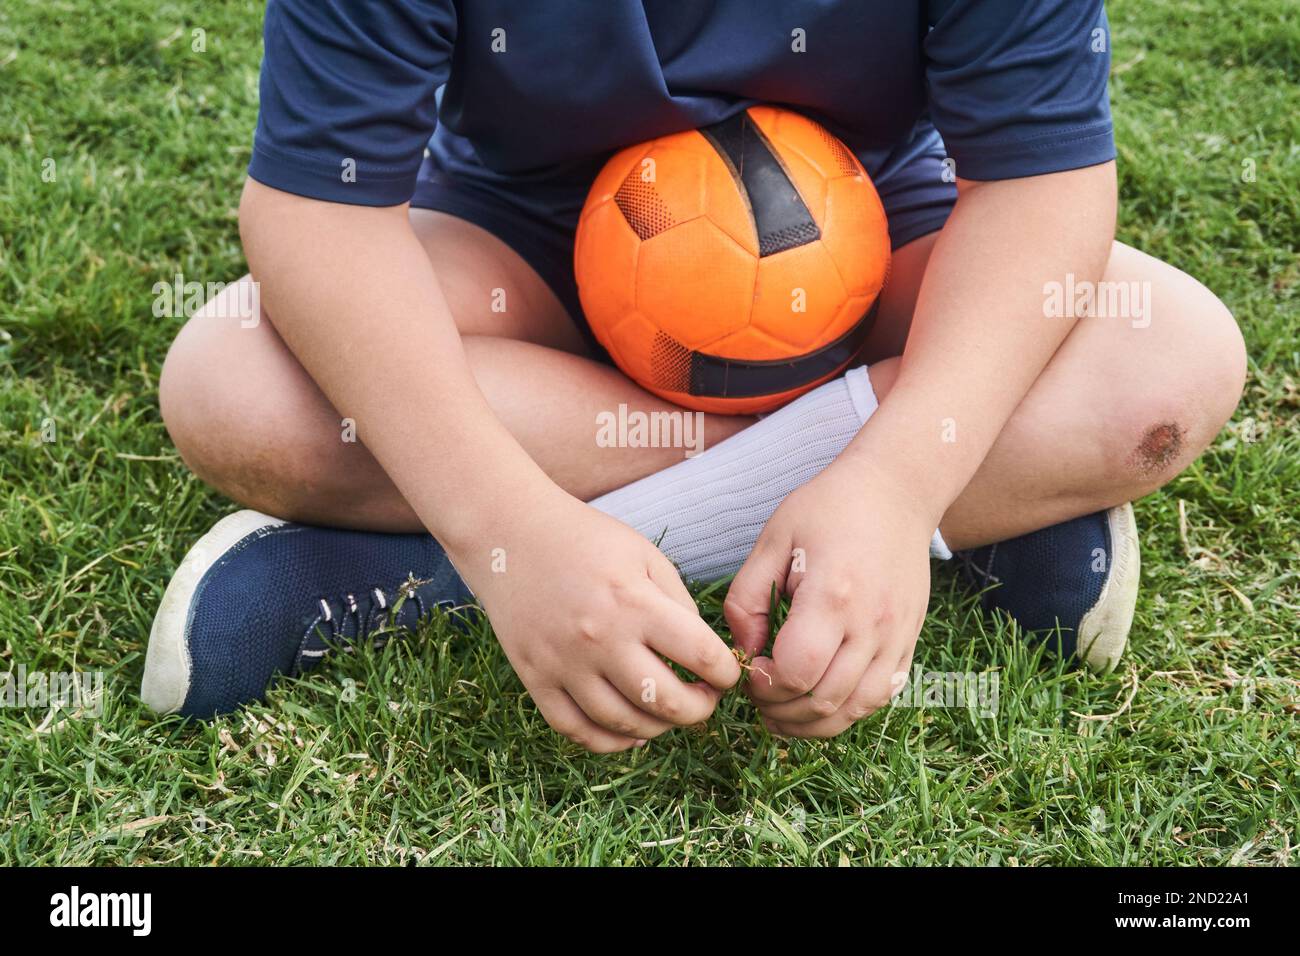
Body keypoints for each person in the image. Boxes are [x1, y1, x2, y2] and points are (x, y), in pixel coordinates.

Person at [142, 0, 1245, 750]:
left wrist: (896, 481)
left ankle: (414, 582)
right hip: (523, 248)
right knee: (234, 387)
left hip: (864, 241)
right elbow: (323, 215)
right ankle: (990, 507)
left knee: (1163, 354)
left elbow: (1039, 190)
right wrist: (507, 527)